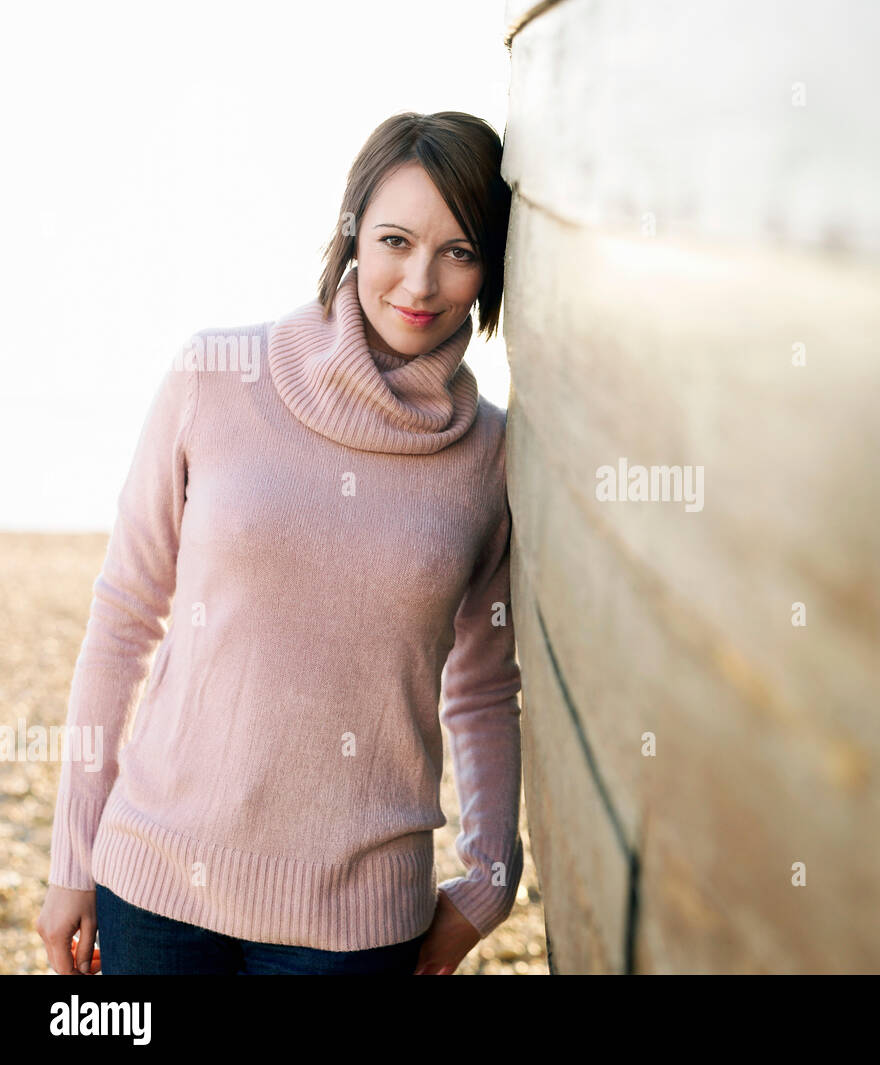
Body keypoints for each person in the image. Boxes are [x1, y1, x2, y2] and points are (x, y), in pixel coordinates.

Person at [36, 112, 523, 975]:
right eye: (396, 240)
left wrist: (488, 881)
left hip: (357, 930)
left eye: (459, 250)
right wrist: (73, 857)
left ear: (493, 267)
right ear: (350, 236)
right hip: (153, 890)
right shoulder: (214, 376)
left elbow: (483, 688)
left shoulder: (492, 456)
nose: (420, 280)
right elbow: (122, 618)